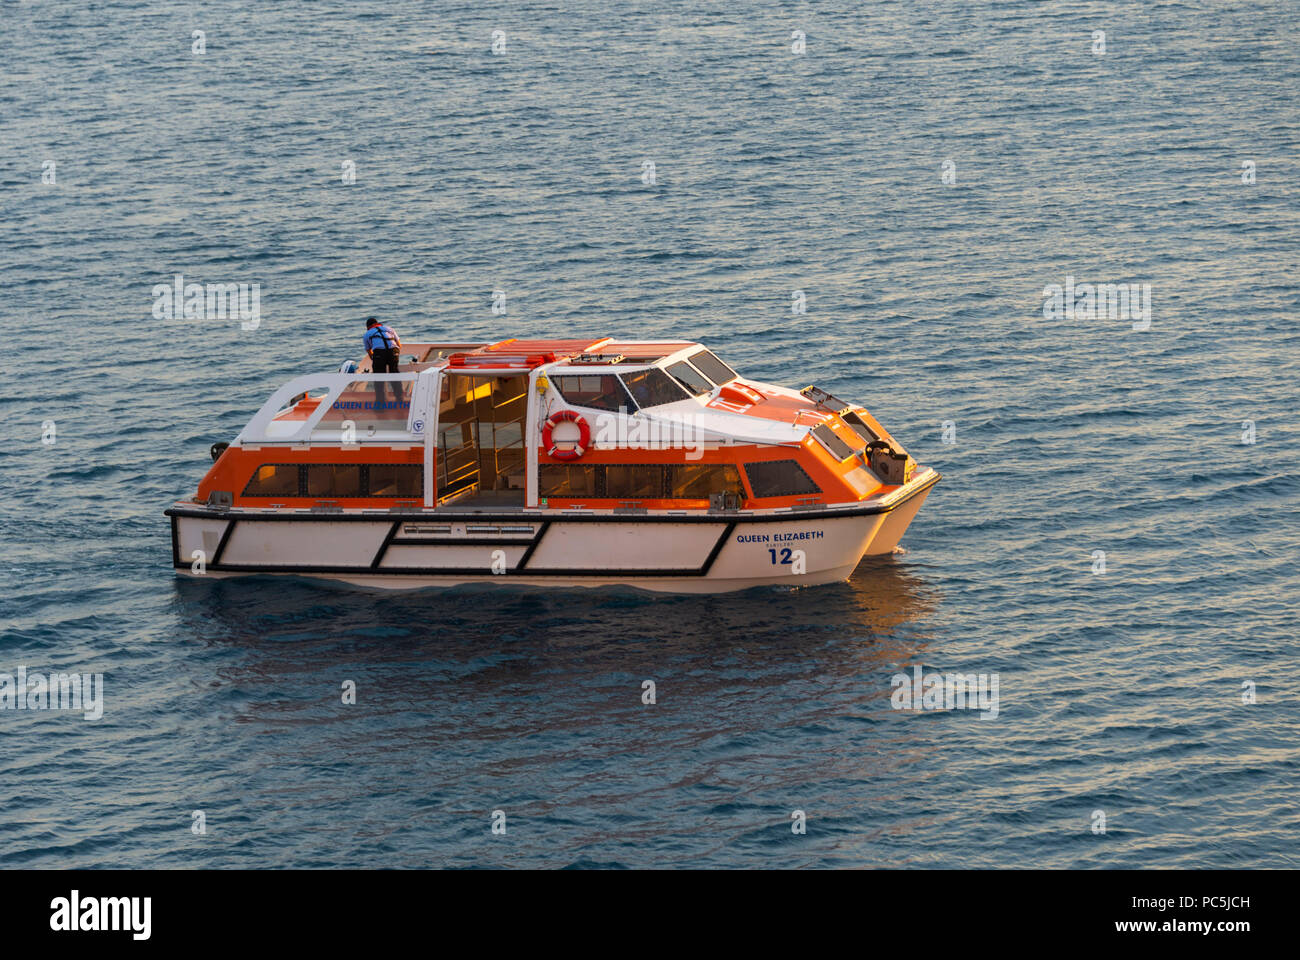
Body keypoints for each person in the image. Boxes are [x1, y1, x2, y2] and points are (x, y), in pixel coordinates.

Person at [364, 317, 403, 410]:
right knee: (395, 374)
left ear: (368, 327)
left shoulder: (367, 334)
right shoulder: (389, 329)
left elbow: (369, 351)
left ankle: (380, 405)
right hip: (394, 351)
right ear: (378, 323)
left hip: (379, 354)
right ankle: (400, 400)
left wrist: (376, 361)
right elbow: (399, 345)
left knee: (378, 378)